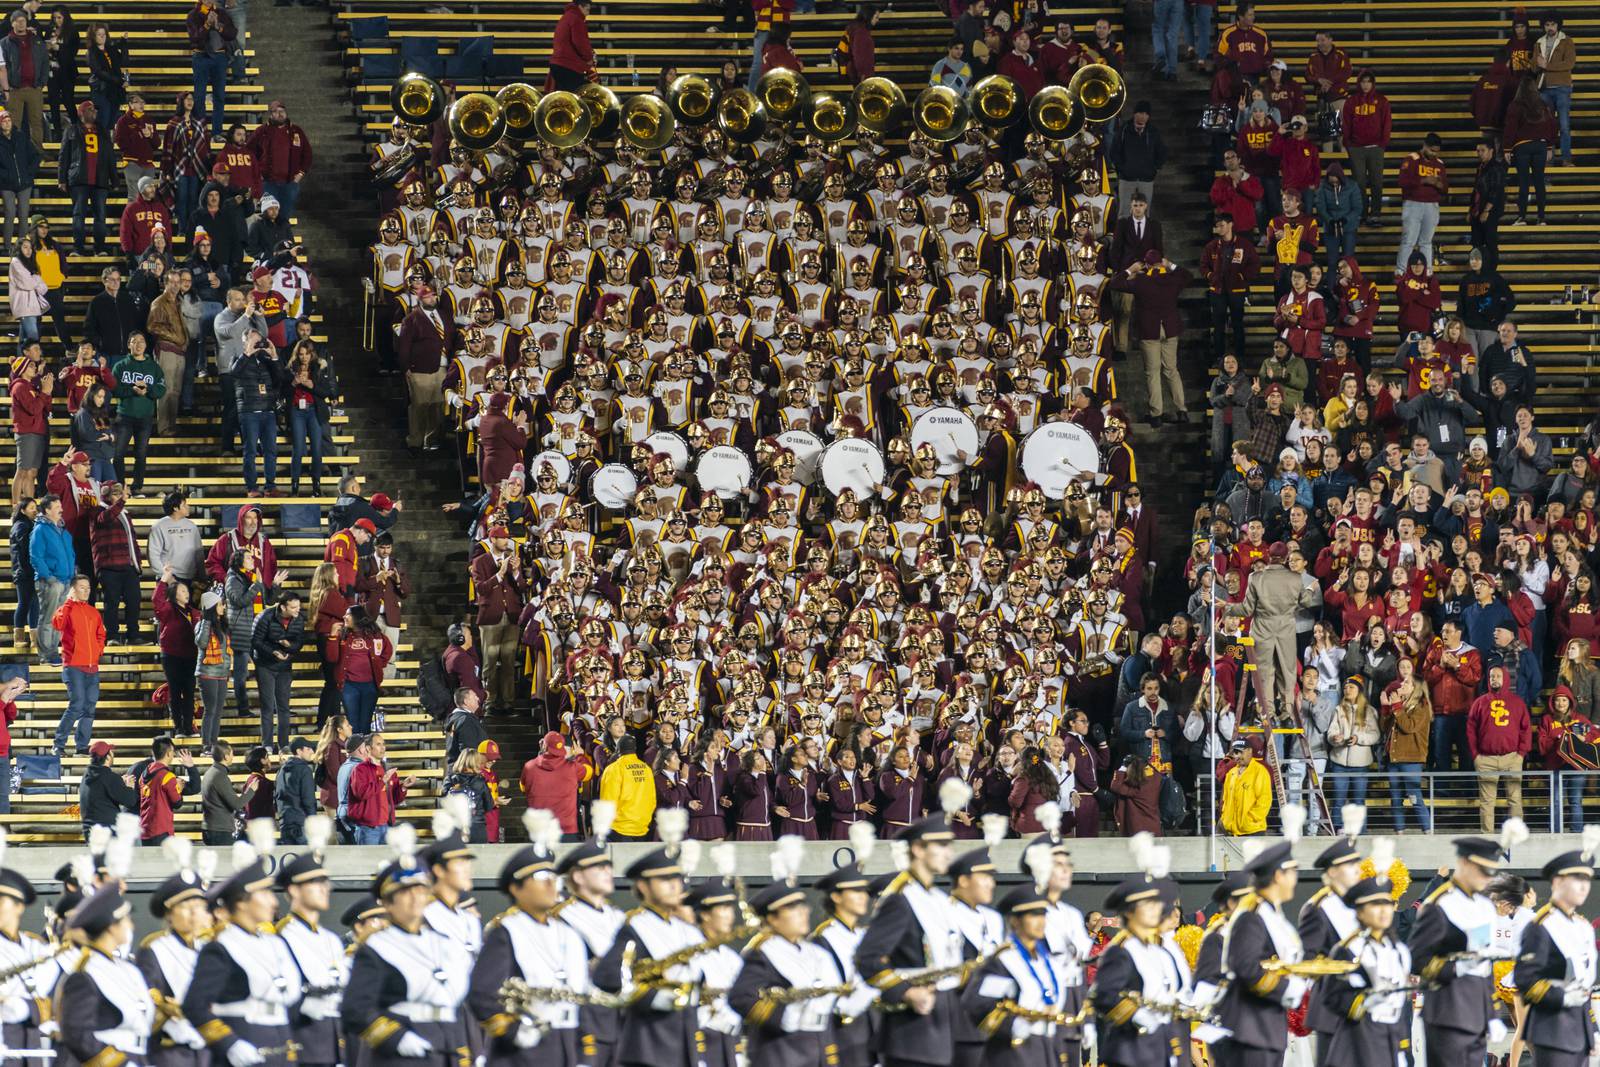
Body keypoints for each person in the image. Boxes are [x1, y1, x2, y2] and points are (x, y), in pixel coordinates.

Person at [465, 819, 591, 1061]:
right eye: (541, 877)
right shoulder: (507, 932)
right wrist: (512, 1030)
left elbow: (580, 996)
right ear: (516, 888)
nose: (550, 884)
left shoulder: (569, 932)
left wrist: (585, 1051)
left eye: (553, 877)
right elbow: (481, 994)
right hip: (523, 1050)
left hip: (567, 1042)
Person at [184, 841, 300, 1066]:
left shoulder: (274, 942)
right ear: (242, 902)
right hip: (243, 1037)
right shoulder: (220, 947)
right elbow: (194, 1006)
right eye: (264, 894)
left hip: (281, 1038)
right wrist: (228, 1043)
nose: (274, 902)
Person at [592, 842, 706, 1066]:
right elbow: (607, 975)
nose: (675, 886)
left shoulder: (686, 930)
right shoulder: (636, 926)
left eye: (676, 879)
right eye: (665, 880)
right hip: (647, 1045)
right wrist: (653, 997)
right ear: (643, 886)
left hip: (685, 1040)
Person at [1408, 835, 1503, 1067]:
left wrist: (1493, 1012)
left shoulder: (1485, 906)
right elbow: (1417, 959)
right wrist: (1456, 967)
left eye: (1491, 872)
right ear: (1464, 863)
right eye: (1483, 870)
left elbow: (1485, 968)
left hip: (1476, 1011)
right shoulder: (1439, 904)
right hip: (1447, 1011)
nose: (1487, 878)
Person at [56, 883, 155, 1067]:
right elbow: (77, 1033)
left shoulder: (128, 969)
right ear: (111, 927)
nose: (131, 925)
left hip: (137, 1057)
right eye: (126, 920)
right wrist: (119, 1063)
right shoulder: (84, 975)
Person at [1320, 870, 1412, 1067]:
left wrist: (1403, 1046)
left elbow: (1402, 1005)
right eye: (1375, 905)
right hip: (1357, 1039)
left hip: (1389, 1039)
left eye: (1387, 904)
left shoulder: (1399, 952)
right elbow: (1332, 997)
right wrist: (1366, 1000)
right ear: (1360, 912)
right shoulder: (1346, 949)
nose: (1383, 911)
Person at [1513, 847, 1595, 1064]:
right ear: (1557, 882)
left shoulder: (1582, 926)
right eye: (1577, 878)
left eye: (1587, 879)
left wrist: (1592, 1029)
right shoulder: (1540, 926)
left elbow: (1582, 984)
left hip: (1579, 1033)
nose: (1584, 886)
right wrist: (1562, 998)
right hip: (1552, 1031)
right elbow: (1525, 980)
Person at [273, 844, 346, 1067]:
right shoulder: (282, 937)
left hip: (335, 1041)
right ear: (294, 890)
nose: (326, 889)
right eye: (316, 883)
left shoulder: (331, 939)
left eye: (325, 882)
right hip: (302, 1040)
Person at [394, 284, 455, 452]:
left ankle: (432, 440)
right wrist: (406, 367)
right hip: (419, 369)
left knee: (438, 405)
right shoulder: (412, 319)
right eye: (428, 297)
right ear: (421, 300)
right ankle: (415, 440)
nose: (432, 299)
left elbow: (451, 338)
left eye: (434, 296)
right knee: (420, 405)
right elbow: (404, 346)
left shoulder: (445, 315)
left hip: (443, 367)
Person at [52, 572, 105, 756]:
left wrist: (98, 650)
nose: (86, 591)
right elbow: (57, 624)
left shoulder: (93, 612)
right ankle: (58, 744)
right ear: (72, 590)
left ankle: (82, 745)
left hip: (92, 667)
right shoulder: (66, 608)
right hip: (73, 666)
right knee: (77, 704)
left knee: (89, 708)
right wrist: (67, 602)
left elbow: (101, 634)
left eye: (88, 588)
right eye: (82, 588)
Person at [57, 99, 115, 255]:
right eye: (90, 110)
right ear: (81, 113)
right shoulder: (71, 130)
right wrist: (61, 178)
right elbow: (64, 156)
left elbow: (110, 155)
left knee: (100, 216)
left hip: (100, 179)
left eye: (94, 110)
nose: (94, 112)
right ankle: (78, 248)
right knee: (78, 215)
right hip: (79, 179)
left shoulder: (102, 130)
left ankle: (100, 248)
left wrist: (114, 177)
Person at [233, 332, 283, 497]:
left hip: (268, 411)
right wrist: (247, 352)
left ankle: (270, 486)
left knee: (271, 450)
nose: (257, 343)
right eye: (253, 339)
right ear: (245, 341)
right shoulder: (238, 359)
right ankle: (252, 488)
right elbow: (234, 373)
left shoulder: (265, 360)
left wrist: (274, 356)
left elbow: (279, 379)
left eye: (258, 340)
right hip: (249, 412)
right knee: (251, 451)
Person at [1503, 76, 1555, 226]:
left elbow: (1510, 128)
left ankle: (1522, 217)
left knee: (1524, 183)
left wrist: (1507, 148)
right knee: (1539, 182)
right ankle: (1541, 218)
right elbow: (1552, 125)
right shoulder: (1543, 104)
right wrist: (1550, 146)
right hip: (1540, 146)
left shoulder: (1515, 105)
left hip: (1522, 147)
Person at [154, 563, 199, 734]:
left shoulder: (193, 612)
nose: (185, 594)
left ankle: (188, 726)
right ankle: (178, 726)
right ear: (173, 594)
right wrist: (164, 581)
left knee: (189, 692)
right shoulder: (168, 609)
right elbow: (157, 601)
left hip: (190, 656)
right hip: (172, 655)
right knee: (175, 690)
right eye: (181, 591)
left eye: (186, 591)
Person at [345, 731, 413, 844]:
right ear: (368, 748)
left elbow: (395, 799)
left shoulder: (388, 770)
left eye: (383, 744)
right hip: (368, 828)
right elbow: (361, 793)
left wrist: (404, 787)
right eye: (378, 744)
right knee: (368, 861)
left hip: (387, 826)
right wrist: (382, 781)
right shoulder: (360, 770)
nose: (382, 748)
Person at [248, 100, 310, 221]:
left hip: (290, 183)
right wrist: (257, 173)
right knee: (268, 217)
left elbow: (307, 154)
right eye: (276, 111)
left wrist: (301, 173)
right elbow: (248, 153)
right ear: (271, 114)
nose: (280, 114)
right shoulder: (262, 131)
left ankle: (283, 240)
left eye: (282, 111)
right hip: (268, 183)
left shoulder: (296, 131)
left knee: (284, 218)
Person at [134, 734, 199, 845]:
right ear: (169, 753)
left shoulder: (143, 775)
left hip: (145, 830)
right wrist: (180, 786)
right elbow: (177, 803)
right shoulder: (167, 777)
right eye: (173, 751)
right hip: (161, 831)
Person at [1396, 133, 1448, 272]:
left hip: (1432, 205)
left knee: (1426, 242)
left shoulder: (1439, 164)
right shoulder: (1412, 159)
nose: (1434, 154)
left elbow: (1445, 189)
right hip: (1413, 203)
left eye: (1437, 151)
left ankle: (1427, 272)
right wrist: (1424, 180)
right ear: (1424, 146)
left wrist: (1438, 185)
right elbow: (1402, 182)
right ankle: (1401, 272)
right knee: (1409, 241)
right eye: (1432, 150)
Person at [185, 0, 234, 141]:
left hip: (219, 57)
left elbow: (232, 33)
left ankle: (216, 133)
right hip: (201, 56)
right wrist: (207, 25)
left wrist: (219, 27)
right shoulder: (193, 15)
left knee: (219, 96)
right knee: (199, 96)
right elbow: (195, 38)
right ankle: (201, 130)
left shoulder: (221, 13)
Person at [7, 353, 50, 510]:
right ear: (22, 369)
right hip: (26, 432)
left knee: (32, 473)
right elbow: (33, 408)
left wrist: (47, 391)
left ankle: (30, 506)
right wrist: (44, 392)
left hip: (37, 431)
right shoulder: (19, 386)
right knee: (22, 471)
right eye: (31, 365)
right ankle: (16, 507)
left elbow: (45, 407)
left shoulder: (32, 386)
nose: (35, 368)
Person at [1, 10, 48, 148]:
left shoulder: (37, 40)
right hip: (14, 89)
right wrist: (7, 87)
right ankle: (15, 151)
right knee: (14, 123)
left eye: (24, 21)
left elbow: (45, 61)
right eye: (18, 21)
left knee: (36, 122)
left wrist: (42, 82)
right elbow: (2, 66)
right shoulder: (4, 43)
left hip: (34, 88)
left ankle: (37, 153)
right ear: (12, 23)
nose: (22, 23)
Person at [1535, 13, 1575, 166]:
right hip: (1544, 88)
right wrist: (1536, 63)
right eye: (1547, 25)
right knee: (1546, 126)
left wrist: (1547, 66)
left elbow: (1569, 63)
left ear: (1558, 25)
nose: (1550, 27)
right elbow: (1534, 66)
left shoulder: (1566, 41)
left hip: (1562, 88)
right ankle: (1548, 160)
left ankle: (1566, 158)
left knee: (1564, 125)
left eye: (1552, 24)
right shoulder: (1539, 42)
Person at [597, 735, 654, 841]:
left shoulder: (614, 769)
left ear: (618, 749)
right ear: (635, 749)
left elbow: (607, 801)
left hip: (619, 829)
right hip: (642, 827)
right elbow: (652, 799)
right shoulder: (646, 769)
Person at [0, 110, 39, 253]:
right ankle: (7, 246)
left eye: (9, 120)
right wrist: (5, 175)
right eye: (4, 121)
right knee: (10, 212)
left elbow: (35, 156)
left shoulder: (21, 137)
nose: (7, 123)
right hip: (6, 184)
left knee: (23, 214)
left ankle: (22, 246)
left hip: (24, 183)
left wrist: (29, 173)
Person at [1219, 739, 1271, 834]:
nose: (1238, 756)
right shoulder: (1231, 773)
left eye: (1240, 752)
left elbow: (1264, 800)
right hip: (1230, 829)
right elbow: (1225, 799)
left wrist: (1249, 819)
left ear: (1249, 751)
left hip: (1252, 830)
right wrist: (1225, 818)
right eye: (1235, 753)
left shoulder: (1260, 772)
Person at [274, 735, 316, 843]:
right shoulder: (304, 770)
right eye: (308, 749)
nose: (311, 751)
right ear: (299, 751)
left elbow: (277, 796)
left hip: (285, 821)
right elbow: (308, 799)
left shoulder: (281, 770)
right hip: (300, 823)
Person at [548, 0, 595, 91]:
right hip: (569, 66)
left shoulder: (566, 17)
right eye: (587, 8)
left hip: (557, 65)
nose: (588, 12)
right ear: (580, 6)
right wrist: (589, 58)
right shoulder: (577, 19)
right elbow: (580, 43)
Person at [200, 739, 240, 844]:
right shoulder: (219, 775)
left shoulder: (210, 772)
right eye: (232, 754)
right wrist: (251, 790)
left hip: (212, 828)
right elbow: (236, 804)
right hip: (219, 831)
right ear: (226, 756)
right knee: (224, 860)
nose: (233, 757)